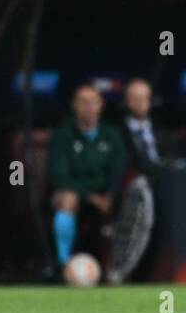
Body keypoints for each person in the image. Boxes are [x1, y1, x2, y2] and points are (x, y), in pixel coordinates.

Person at [48, 84, 126, 269]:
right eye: (83, 102)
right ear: (74, 105)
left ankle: (121, 268)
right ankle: (63, 264)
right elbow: (60, 177)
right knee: (67, 198)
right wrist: (91, 198)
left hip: (107, 196)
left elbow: (119, 170)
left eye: (93, 102)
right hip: (77, 194)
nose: (89, 107)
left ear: (101, 105)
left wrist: (110, 196)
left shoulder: (111, 134)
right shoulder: (63, 135)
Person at [120, 77, 176, 177]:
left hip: (165, 177)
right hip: (135, 180)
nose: (140, 102)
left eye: (145, 97)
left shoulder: (162, 128)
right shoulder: (118, 132)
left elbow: (173, 156)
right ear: (126, 101)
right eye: (135, 98)